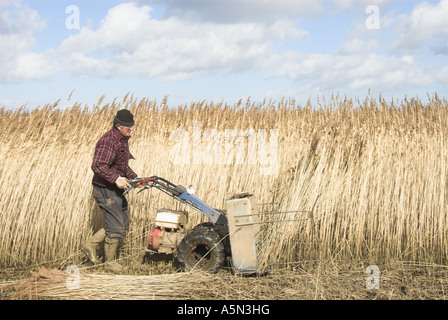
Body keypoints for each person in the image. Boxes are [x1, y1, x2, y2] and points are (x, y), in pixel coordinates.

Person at [81, 109, 138, 272]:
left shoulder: (122, 140)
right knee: (115, 225)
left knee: (124, 222)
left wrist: (135, 178)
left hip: (114, 190)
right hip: (105, 189)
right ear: (118, 125)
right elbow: (98, 165)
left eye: (133, 126)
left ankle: (90, 245)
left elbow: (122, 165)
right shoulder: (109, 140)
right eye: (128, 127)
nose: (131, 129)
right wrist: (116, 179)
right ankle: (110, 263)